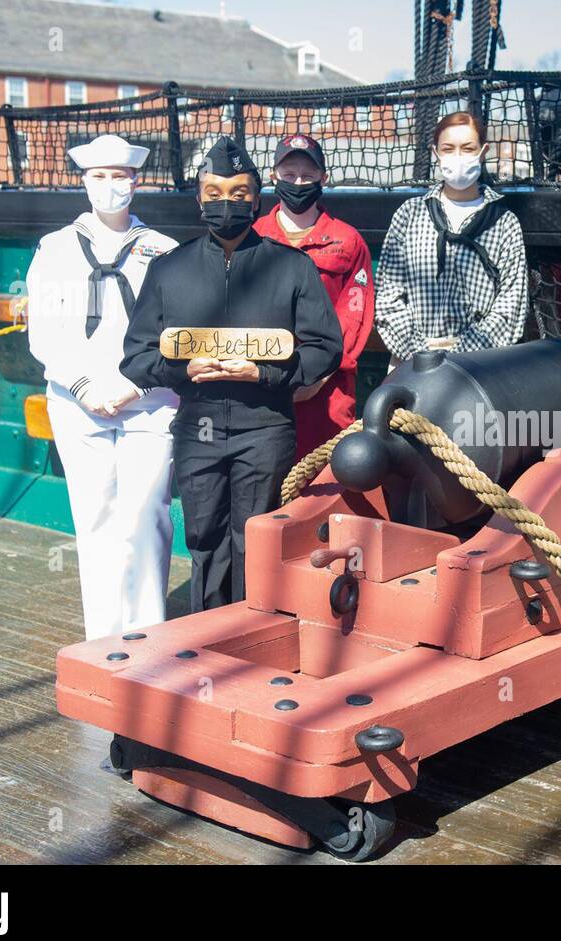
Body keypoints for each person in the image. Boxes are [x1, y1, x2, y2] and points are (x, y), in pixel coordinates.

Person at [120, 137, 343, 611]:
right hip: (196, 427)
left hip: (264, 429)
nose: (227, 203)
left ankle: (253, 635)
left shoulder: (291, 267)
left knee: (256, 539)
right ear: (199, 198)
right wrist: (181, 370)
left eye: (240, 194)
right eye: (216, 192)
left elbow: (326, 348)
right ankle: (207, 633)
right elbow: (135, 357)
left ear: (256, 200)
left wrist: (266, 375)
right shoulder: (168, 270)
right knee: (203, 539)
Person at [26, 134, 178, 640]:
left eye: (121, 176)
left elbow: (173, 331)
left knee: (145, 517)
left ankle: (146, 635)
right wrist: (86, 384)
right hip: (77, 401)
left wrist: (133, 385)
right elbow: (45, 330)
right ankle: (104, 638)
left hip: (149, 402)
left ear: (137, 182)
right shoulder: (55, 249)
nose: (111, 186)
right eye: (100, 176)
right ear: (85, 182)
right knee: (94, 521)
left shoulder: (164, 251)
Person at [374, 111, 528, 368]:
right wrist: (422, 355)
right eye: (448, 148)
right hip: (410, 361)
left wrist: (460, 356)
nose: (458, 156)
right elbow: (388, 295)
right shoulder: (409, 213)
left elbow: (511, 305)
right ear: (436, 153)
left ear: (483, 151)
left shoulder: (504, 222)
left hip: (478, 365)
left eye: (468, 149)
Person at [254, 132, 374, 459]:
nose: (298, 182)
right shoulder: (252, 238)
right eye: (289, 174)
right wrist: (260, 373)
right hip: (260, 387)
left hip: (327, 392)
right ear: (273, 176)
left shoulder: (347, 241)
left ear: (324, 178)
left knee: (323, 485)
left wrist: (316, 375)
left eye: (308, 175)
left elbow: (354, 316)